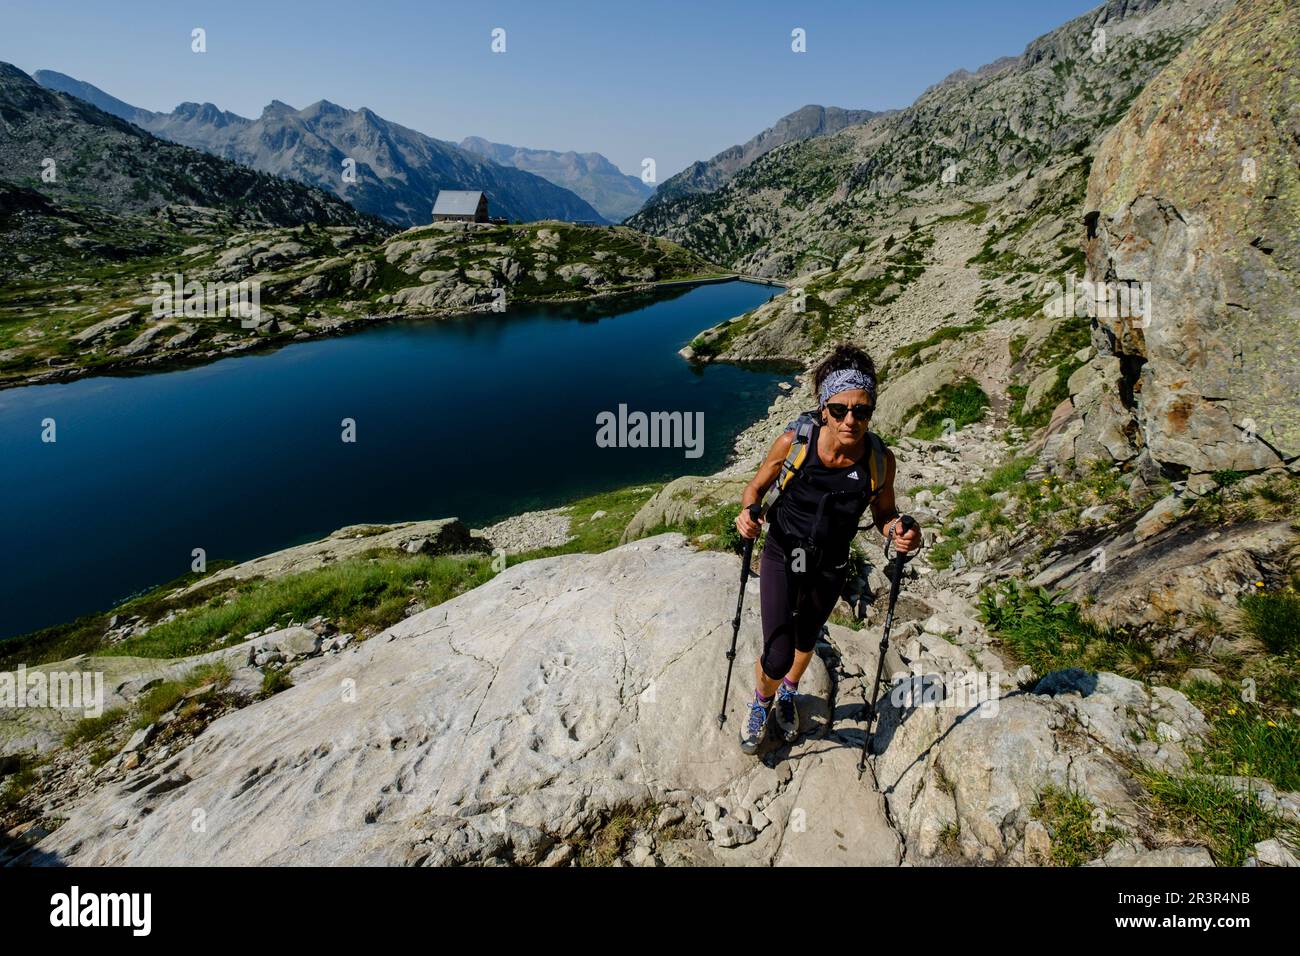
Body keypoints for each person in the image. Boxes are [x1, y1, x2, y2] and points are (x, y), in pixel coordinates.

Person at [734, 343, 922, 754]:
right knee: (779, 651)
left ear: (871, 410)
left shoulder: (878, 460)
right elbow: (756, 487)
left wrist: (900, 531)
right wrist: (748, 512)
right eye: (840, 409)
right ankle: (761, 702)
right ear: (823, 408)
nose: (850, 419)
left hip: (831, 563)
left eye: (861, 410)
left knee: (806, 639)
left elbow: (884, 513)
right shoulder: (794, 443)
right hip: (784, 553)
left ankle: (787, 694)